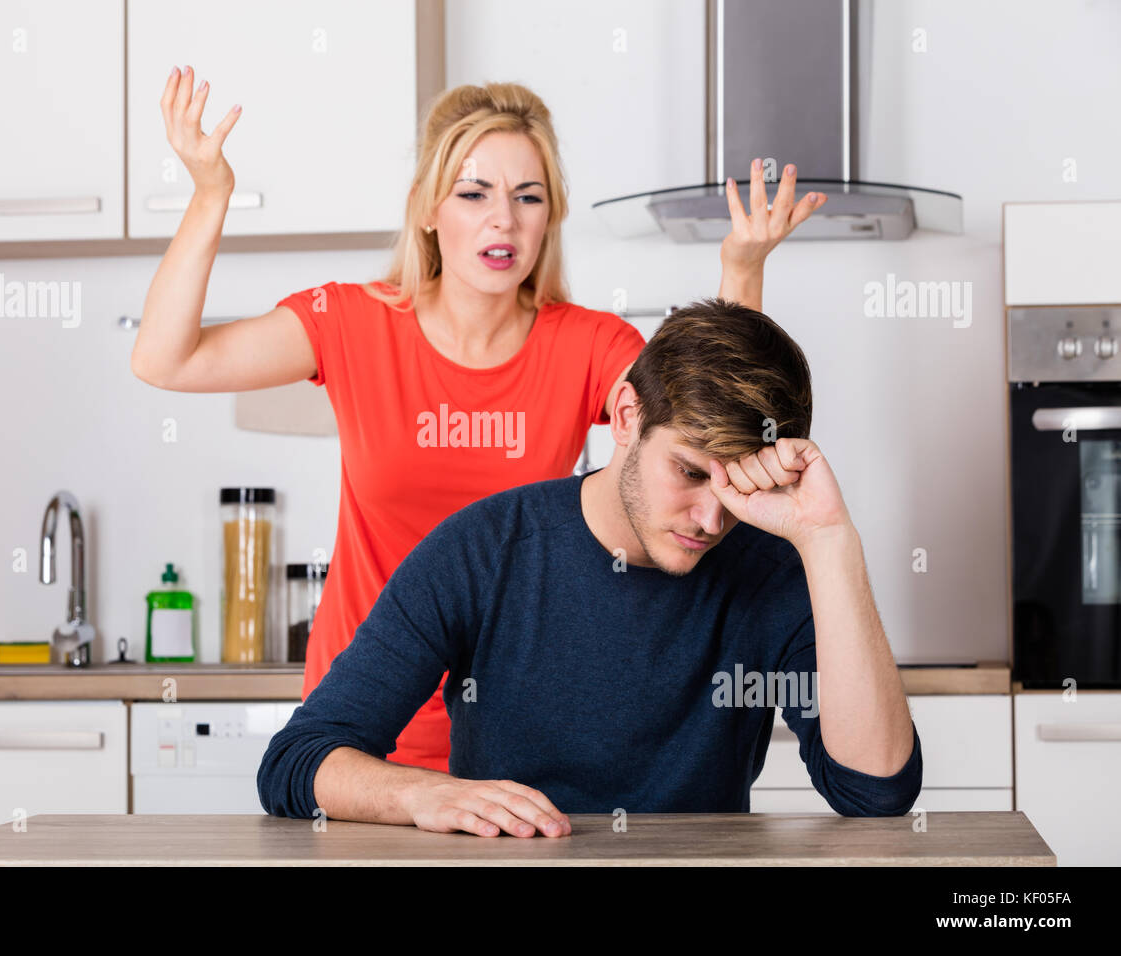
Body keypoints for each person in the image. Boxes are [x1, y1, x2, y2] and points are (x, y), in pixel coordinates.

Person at [132, 70, 829, 772]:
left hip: (512, 725)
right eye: (474, 194)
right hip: (367, 724)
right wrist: (210, 194)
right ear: (428, 209)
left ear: (549, 216)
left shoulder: (586, 344)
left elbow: (710, 416)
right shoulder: (349, 320)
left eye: (529, 197)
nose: (505, 220)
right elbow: (167, 360)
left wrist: (741, 271)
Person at [257, 298, 922, 836]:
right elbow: (298, 760)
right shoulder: (483, 549)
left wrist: (830, 540)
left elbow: (875, 792)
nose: (711, 519)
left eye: (737, 488)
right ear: (627, 417)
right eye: (690, 473)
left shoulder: (772, 570)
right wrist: (421, 794)